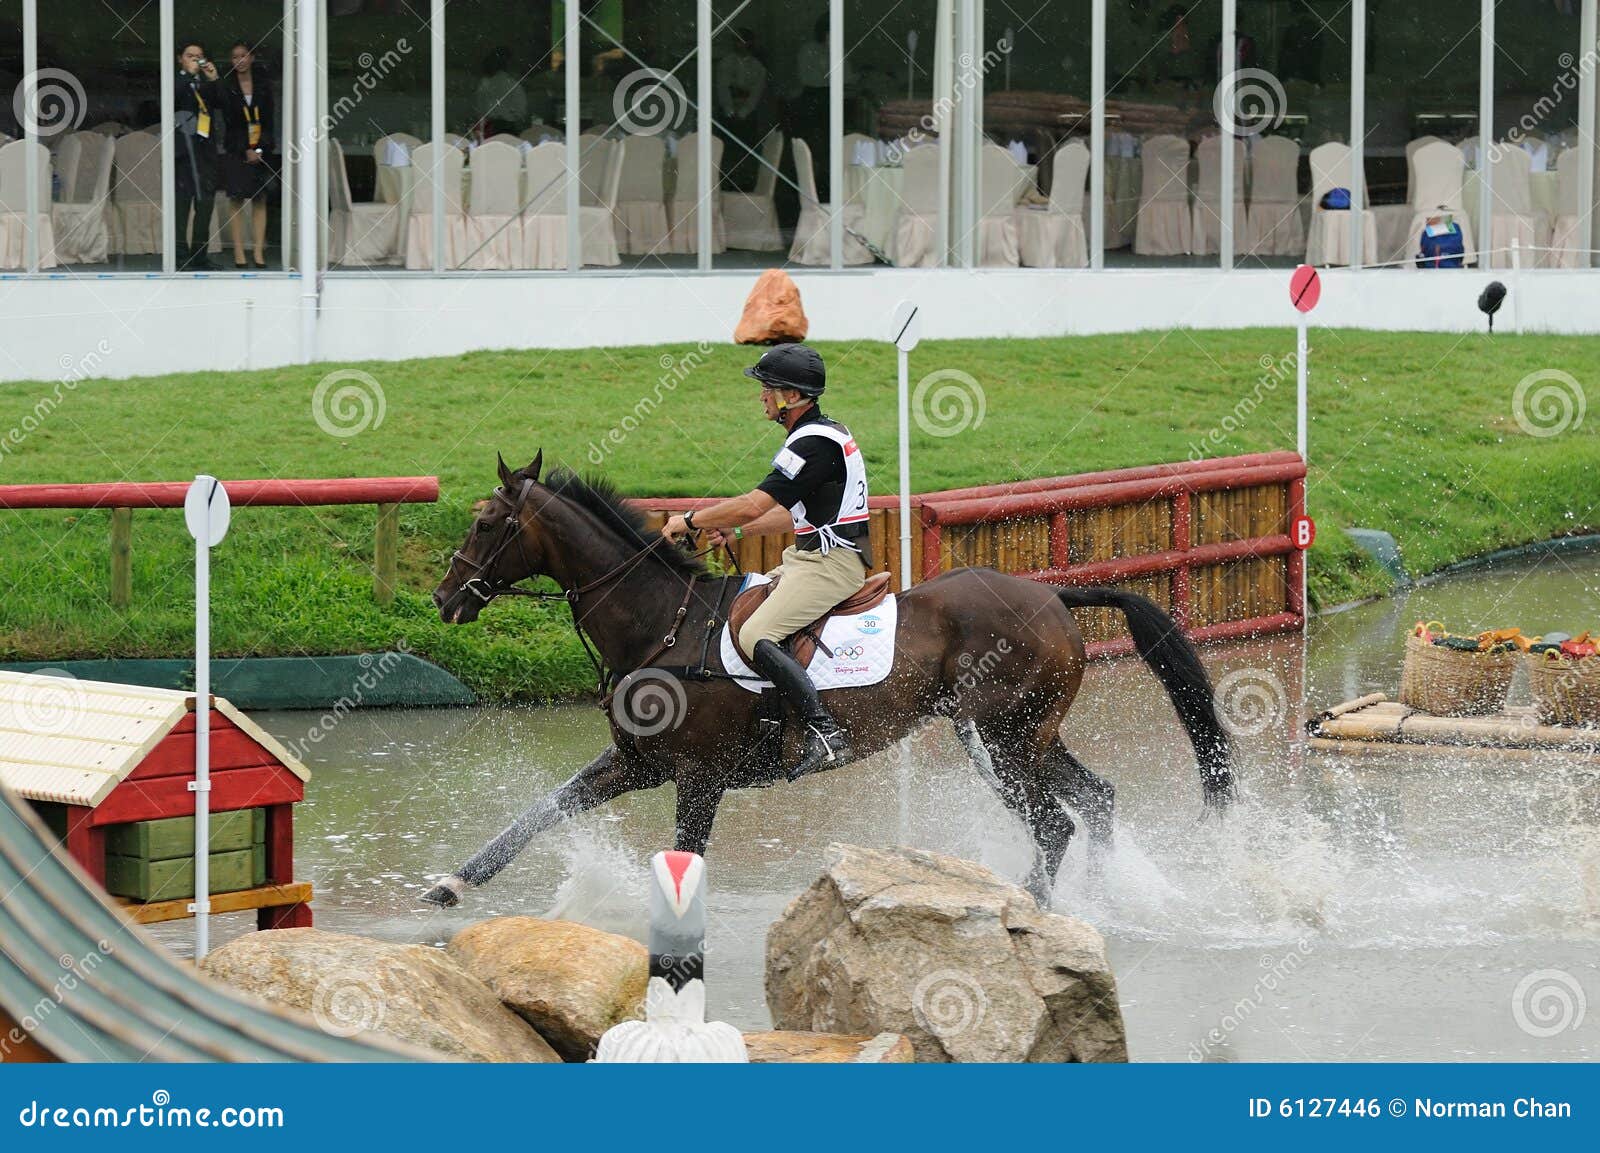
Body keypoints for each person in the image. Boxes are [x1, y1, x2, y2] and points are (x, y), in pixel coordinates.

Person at [660, 344, 868, 781]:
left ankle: (825, 732)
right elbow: (789, 511)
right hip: (808, 558)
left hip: (831, 565)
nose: (761, 396)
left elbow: (755, 503)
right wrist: (736, 532)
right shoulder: (820, 433)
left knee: (756, 632)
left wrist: (690, 519)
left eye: (767, 389)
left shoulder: (811, 443)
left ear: (791, 396)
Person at [219, 41, 277, 269]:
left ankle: (258, 251)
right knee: (236, 198)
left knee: (260, 198)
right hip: (237, 149)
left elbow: (269, 121)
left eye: (244, 56)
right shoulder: (227, 86)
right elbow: (229, 124)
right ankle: (239, 252)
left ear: (252, 58)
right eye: (235, 57)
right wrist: (245, 148)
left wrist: (260, 148)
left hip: (262, 150)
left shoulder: (263, 85)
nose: (240, 60)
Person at [174, 41, 220, 269]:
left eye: (199, 56)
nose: (195, 59)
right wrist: (188, 76)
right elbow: (173, 100)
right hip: (183, 152)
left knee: (205, 204)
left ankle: (199, 256)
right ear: (180, 59)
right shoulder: (177, 81)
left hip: (205, 153)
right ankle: (179, 257)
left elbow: (224, 105)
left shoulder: (206, 84)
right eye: (190, 55)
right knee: (182, 205)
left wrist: (214, 80)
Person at [474, 47, 528, 137]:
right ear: (509, 64)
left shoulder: (484, 84)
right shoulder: (513, 84)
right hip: (508, 130)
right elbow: (521, 113)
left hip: (488, 130)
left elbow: (479, 110)